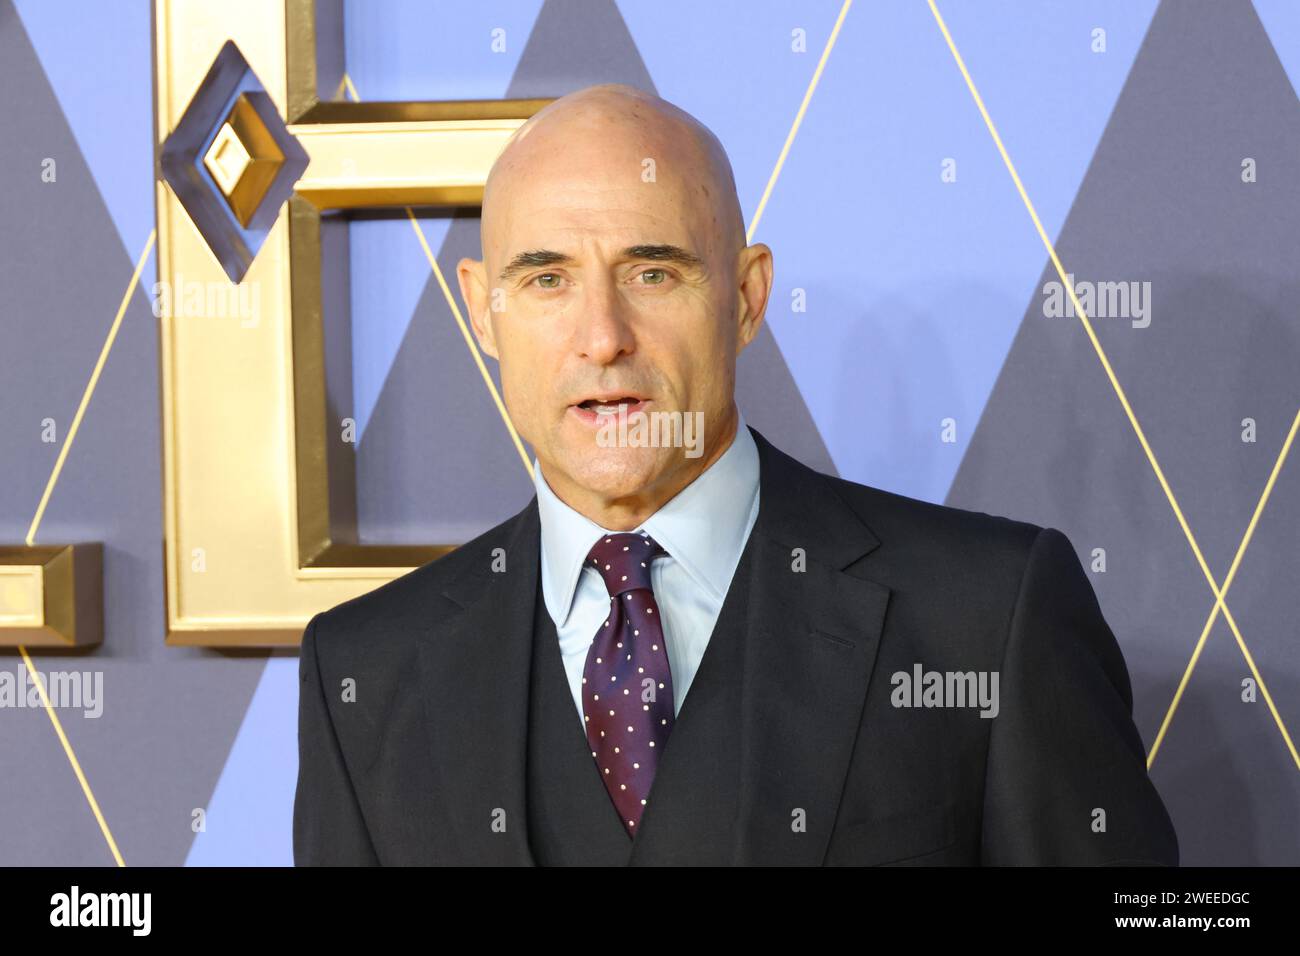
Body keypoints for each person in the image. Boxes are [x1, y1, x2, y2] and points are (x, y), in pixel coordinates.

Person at [293, 83, 1178, 866]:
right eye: (546, 280)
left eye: (651, 271)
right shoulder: (365, 673)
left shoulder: (987, 619)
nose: (603, 337)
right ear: (485, 312)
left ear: (747, 297)